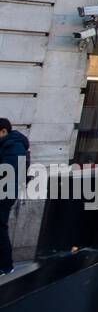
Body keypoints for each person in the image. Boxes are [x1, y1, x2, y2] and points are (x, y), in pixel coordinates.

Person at [0, 118, 30, 276]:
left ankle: (5, 266)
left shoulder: (14, 146)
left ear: (3, 131)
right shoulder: (7, 144)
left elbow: (6, 172)